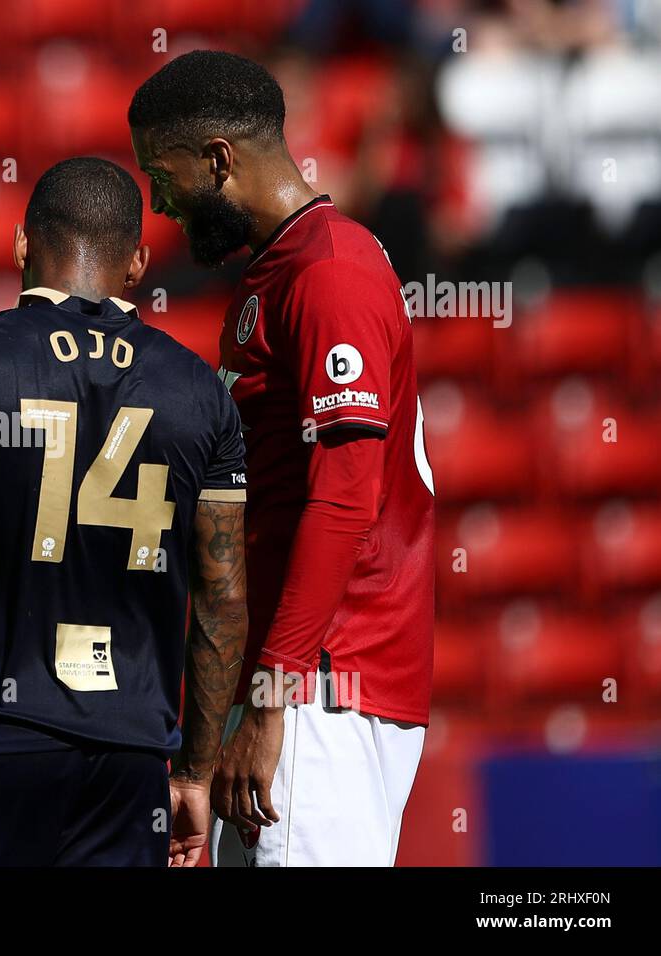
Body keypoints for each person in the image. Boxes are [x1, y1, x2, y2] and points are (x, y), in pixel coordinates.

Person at [0, 157, 250, 867]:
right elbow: (222, 596)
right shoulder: (200, 389)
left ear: (22, 245)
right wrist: (193, 768)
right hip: (129, 755)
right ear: (137, 264)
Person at [129, 50, 435, 867]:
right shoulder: (278, 271)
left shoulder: (331, 270)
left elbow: (344, 499)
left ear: (220, 159)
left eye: (164, 177)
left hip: (321, 691)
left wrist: (271, 698)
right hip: (283, 685)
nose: (160, 204)